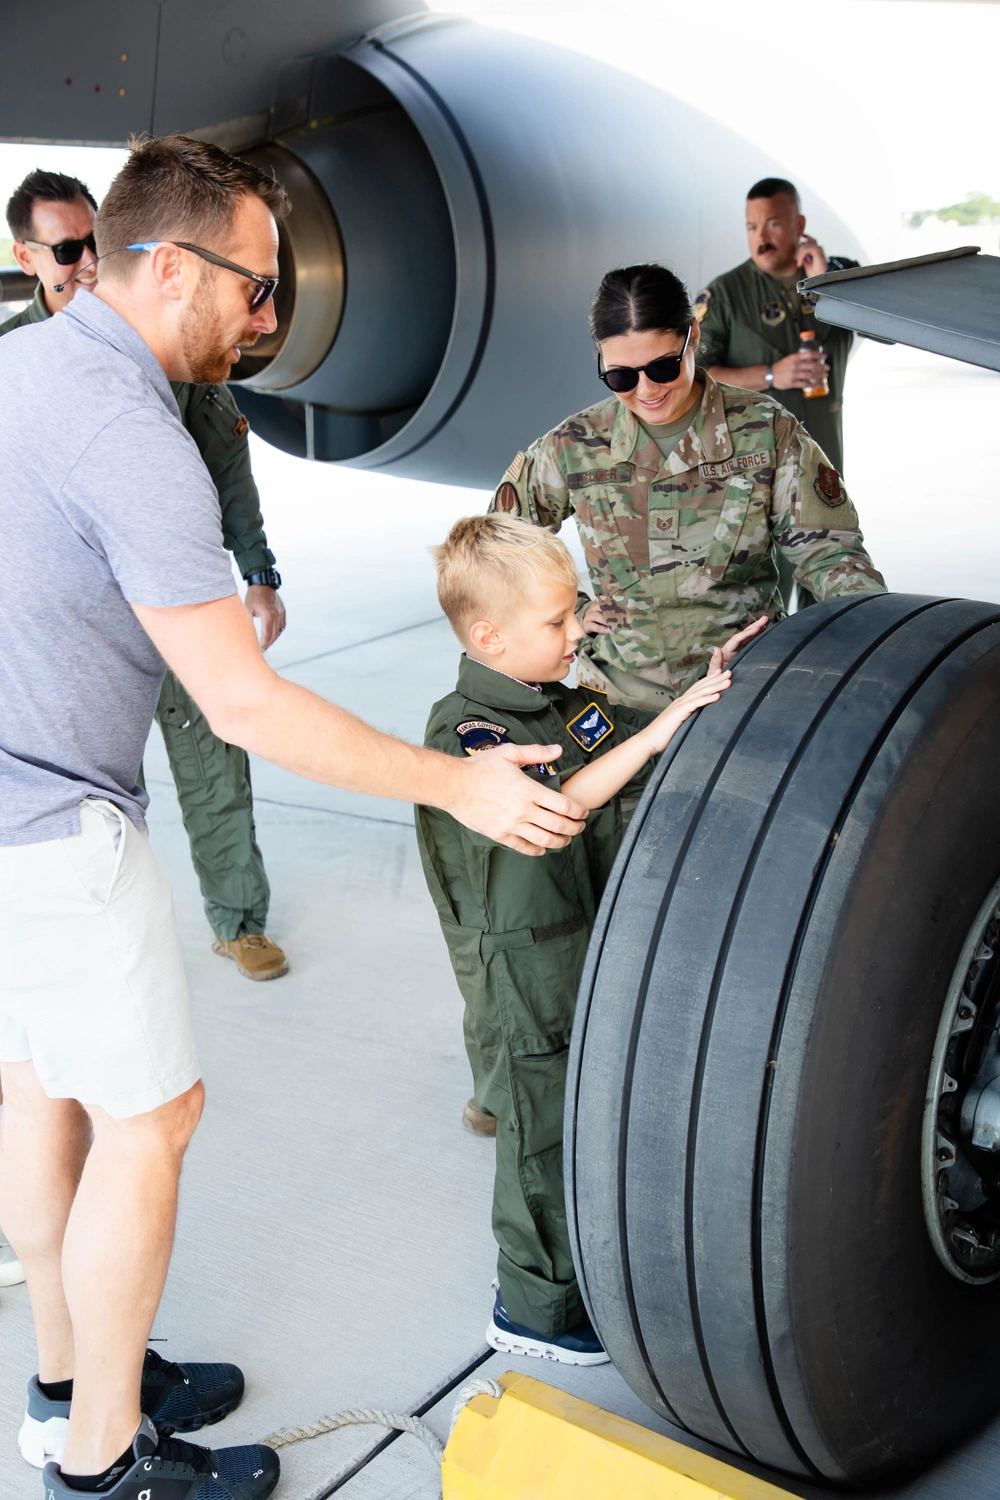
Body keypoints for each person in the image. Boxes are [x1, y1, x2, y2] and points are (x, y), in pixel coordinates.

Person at [0, 135, 586, 1500]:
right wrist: (459, 782)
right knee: (155, 1118)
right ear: (168, 263)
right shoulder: (133, 436)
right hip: (51, 835)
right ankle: (101, 1466)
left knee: (41, 1097)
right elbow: (244, 705)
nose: (266, 320)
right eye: (254, 288)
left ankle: (66, 1375)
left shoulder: (24, 368)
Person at [416, 514, 749, 1363]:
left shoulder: (562, 700)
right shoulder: (469, 735)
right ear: (490, 636)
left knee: (577, 1111)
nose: (577, 633)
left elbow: (616, 733)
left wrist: (689, 697)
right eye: (558, 623)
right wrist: (660, 729)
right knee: (537, 1133)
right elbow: (563, 801)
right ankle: (531, 1306)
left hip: (580, 940)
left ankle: (572, 1269)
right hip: (524, 965)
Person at [3, 169, 289, 982]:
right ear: (27, 255)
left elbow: (230, 467)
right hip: (81, 630)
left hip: (178, 599)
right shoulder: (18, 363)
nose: (86, 258)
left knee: (215, 760)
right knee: (92, 790)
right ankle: (108, 923)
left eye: (94, 239)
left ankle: (239, 920)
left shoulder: (171, 351)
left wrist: (259, 569)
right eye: (65, 247)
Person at [490, 262, 886, 715]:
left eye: (662, 367)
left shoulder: (765, 430)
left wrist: (879, 640)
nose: (645, 390)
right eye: (621, 376)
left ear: (693, 337)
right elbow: (499, 546)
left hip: (746, 696)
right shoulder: (573, 446)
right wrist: (571, 615)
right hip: (621, 710)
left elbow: (829, 554)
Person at [695, 176, 859, 479]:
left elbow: (886, 331)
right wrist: (772, 375)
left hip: (824, 468)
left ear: (799, 224)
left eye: (773, 224)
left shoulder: (840, 278)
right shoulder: (725, 294)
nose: (761, 238)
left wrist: (829, 284)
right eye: (752, 227)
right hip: (755, 474)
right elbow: (695, 379)